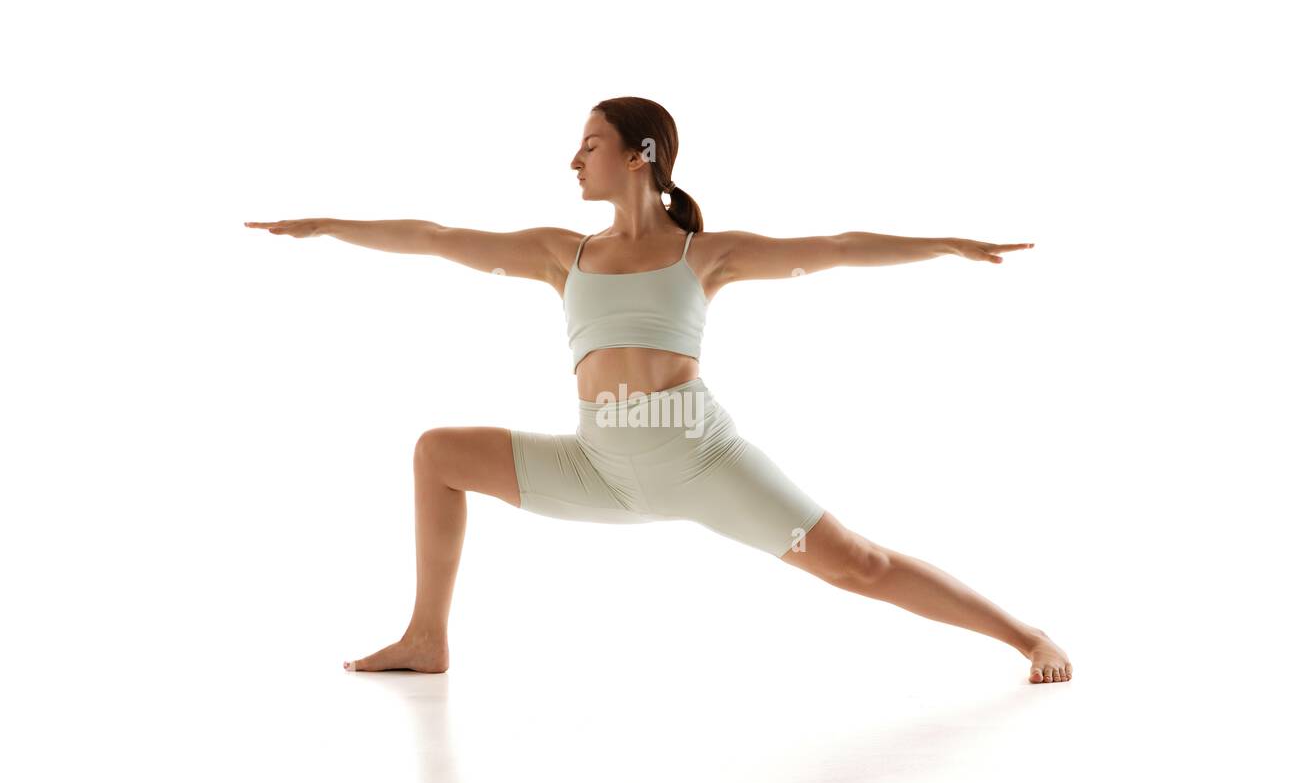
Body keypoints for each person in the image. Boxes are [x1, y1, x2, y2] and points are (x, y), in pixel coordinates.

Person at [246, 96, 1071, 684]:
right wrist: (325, 227)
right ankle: (427, 637)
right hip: (596, 465)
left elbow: (839, 246)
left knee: (858, 562)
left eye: (590, 144)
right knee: (438, 453)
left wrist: (946, 245)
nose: (574, 159)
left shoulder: (705, 255)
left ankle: (1026, 635)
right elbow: (431, 238)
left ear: (641, 154)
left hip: (701, 457)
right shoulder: (557, 252)